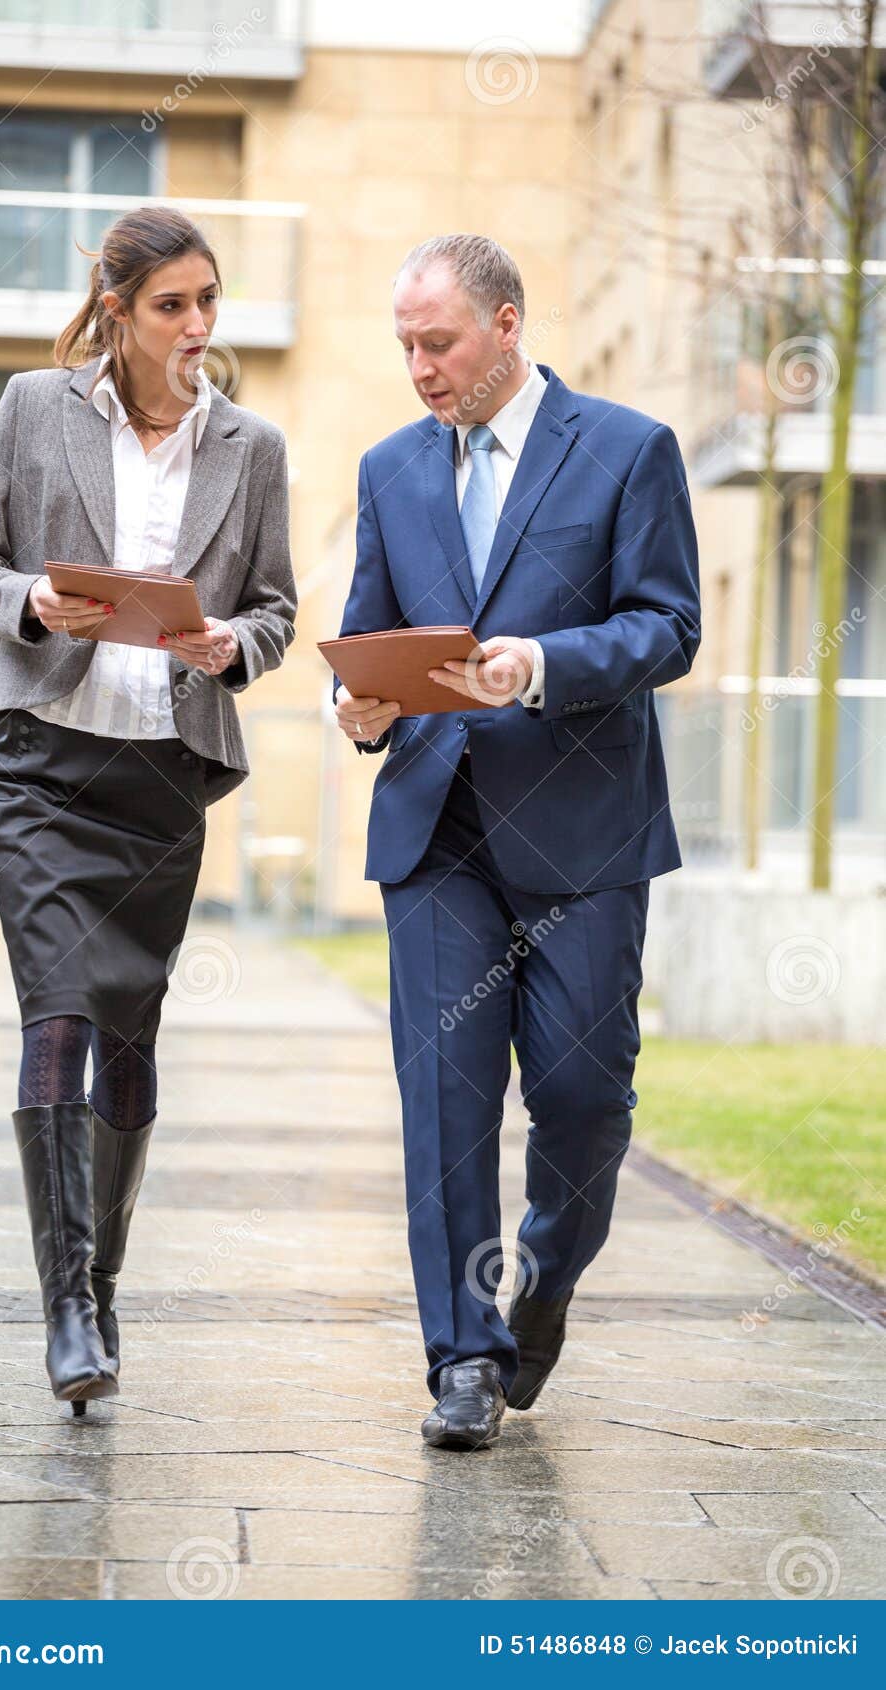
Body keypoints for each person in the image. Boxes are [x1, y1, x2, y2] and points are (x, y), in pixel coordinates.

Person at [333, 234, 699, 1451]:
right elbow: (367, 640)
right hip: (436, 834)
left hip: (587, 838)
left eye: (436, 343)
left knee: (584, 1103)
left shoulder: (628, 450)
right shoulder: (390, 470)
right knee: (443, 1102)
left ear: (505, 323)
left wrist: (541, 665)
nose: (420, 369)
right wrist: (361, 708)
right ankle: (464, 1358)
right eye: (405, 348)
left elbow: (668, 626)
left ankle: (536, 1291)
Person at [0, 206, 297, 1415]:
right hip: (41, 760)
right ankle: (67, 1307)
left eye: (209, 301)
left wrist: (224, 645)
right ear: (116, 309)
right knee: (58, 1015)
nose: (198, 326)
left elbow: (277, 612)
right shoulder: (36, 411)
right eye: (173, 305)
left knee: (131, 1040)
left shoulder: (250, 445)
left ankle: (103, 1274)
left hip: (160, 775)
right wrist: (35, 599)